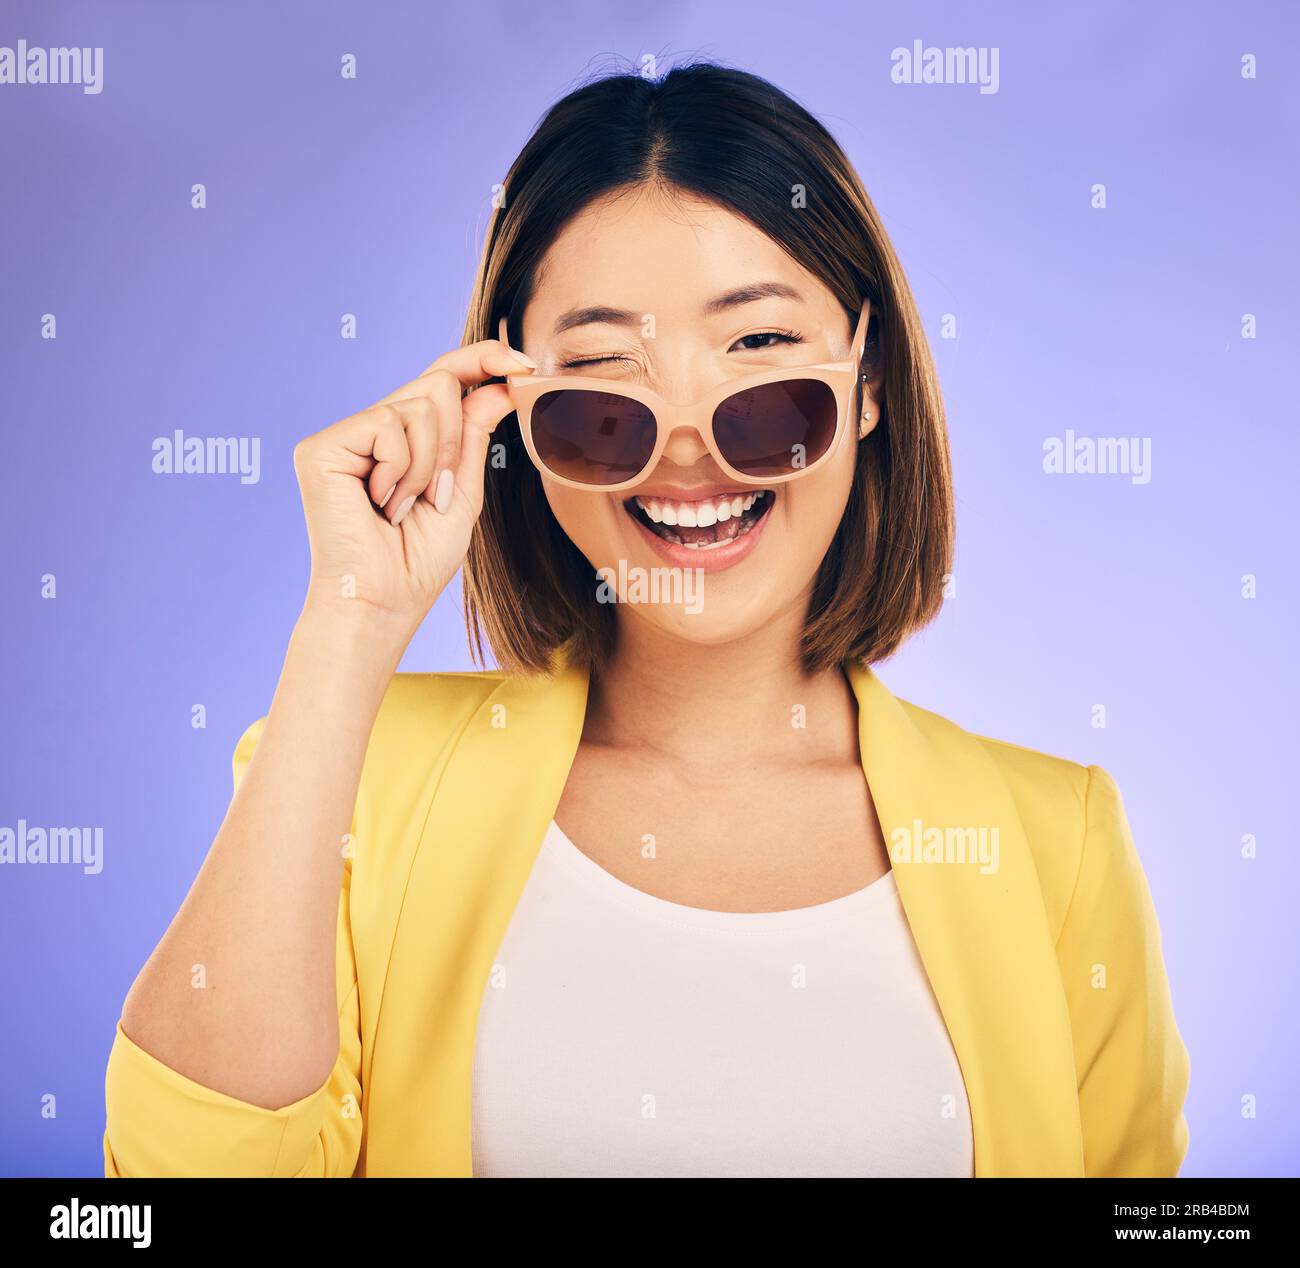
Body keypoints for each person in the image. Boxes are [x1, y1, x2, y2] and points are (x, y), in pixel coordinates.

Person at [103, 62, 1190, 1178]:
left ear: (868, 382)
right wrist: (349, 617)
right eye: (604, 370)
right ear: (509, 409)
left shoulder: (1060, 845)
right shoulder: (366, 784)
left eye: (759, 351)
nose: (686, 442)